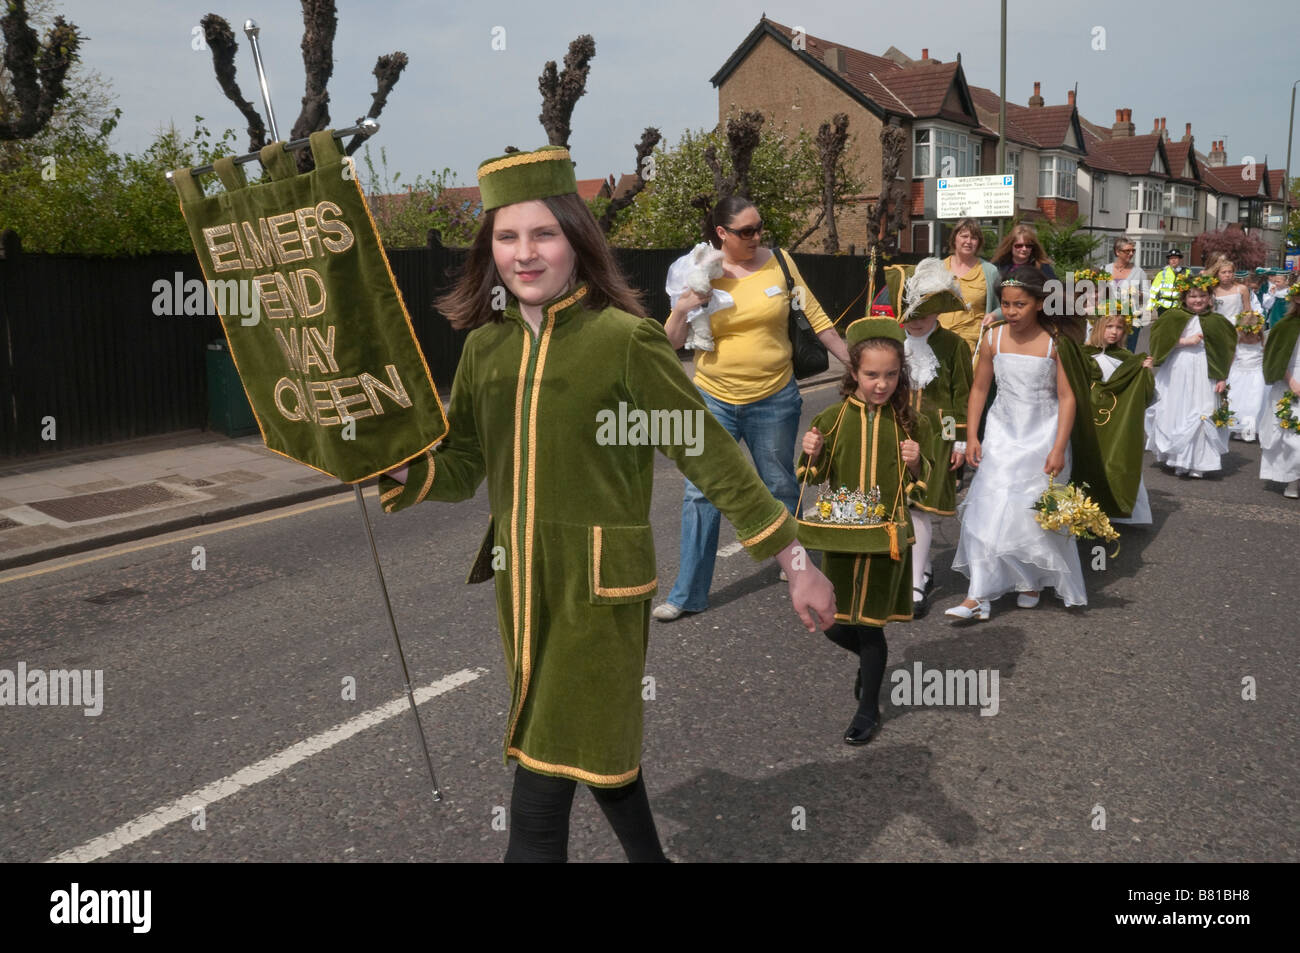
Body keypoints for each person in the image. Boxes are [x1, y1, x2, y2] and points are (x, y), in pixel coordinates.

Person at [377, 146, 836, 862]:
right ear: (488, 246)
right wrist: (402, 467)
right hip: (524, 587)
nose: (524, 254)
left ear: (576, 239)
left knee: (540, 780)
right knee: (596, 754)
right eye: (506, 236)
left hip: (599, 591)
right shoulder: (485, 349)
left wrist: (795, 558)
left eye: (543, 234)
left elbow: (709, 456)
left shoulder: (624, 340)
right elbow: (465, 463)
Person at [653, 196, 851, 622]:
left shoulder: (780, 262)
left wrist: (856, 364)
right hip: (712, 397)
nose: (756, 236)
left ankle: (795, 565)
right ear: (721, 234)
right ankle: (688, 594)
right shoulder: (698, 269)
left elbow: (816, 316)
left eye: (759, 227)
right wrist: (684, 307)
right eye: (746, 231)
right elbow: (669, 342)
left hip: (774, 396)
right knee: (701, 492)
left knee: (778, 484)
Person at [796, 318, 931, 745]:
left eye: (891, 375)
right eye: (872, 374)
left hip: (885, 539)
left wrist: (914, 463)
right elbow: (814, 475)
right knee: (832, 621)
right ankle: (869, 666)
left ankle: (868, 707)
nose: (882, 384)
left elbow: (923, 485)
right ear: (854, 371)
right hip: (842, 536)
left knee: (871, 625)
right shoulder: (833, 417)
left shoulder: (908, 422)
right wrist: (812, 453)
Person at [947, 265, 1085, 621]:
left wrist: (1058, 447)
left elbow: (1068, 398)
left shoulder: (1056, 342)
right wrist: (972, 435)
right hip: (1002, 433)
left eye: (1019, 305)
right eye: (1006, 304)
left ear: (1039, 303)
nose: (1011, 312)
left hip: (1042, 434)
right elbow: (979, 389)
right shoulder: (993, 337)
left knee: (1029, 514)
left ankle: (1029, 579)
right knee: (986, 508)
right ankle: (978, 594)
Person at [889, 259, 972, 617]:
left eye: (924, 312)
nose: (916, 320)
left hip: (936, 439)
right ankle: (918, 568)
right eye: (910, 313)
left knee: (920, 506)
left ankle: (917, 582)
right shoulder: (891, 342)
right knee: (897, 506)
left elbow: (961, 397)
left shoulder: (954, 345)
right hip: (894, 433)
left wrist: (958, 441)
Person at [1143, 273, 1237, 478]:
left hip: (1205, 371)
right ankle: (1178, 458)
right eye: (1193, 296)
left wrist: (1222, 377)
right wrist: (1185, 342)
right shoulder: (1172, 316)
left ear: (1209, 297)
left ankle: (1199, 462)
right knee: (1178, 408)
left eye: (1202, 296)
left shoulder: (1217, 321)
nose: (1198, 300)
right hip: (1178, 369)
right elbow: (1160, 343)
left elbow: (1226, 349)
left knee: (1201, 409)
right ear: (1184, 298)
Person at [1084, 313, 1154, 524]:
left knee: (1115, 461)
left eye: (1120, 327)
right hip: (1087, 420)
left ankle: (1115, 509)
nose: (1114, 332)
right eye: (1109, 326)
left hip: (1116, 423)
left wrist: (1146, 373)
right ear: (1096, 327)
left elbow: (1144, 397)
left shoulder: (1127, 359)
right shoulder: (1082, 355)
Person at [935, 217, 1001, 358]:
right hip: (938, 343)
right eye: (964, 236)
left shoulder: (990, 271)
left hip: (973, 348)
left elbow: (1004, 307)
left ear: (979, 243)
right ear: (954, 239)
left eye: (974, 238)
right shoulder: (937, 268)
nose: (968, 241)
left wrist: (994, 315)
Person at [1258, 297, 1300, 498]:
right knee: (1291, 434)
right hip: (1290, 380)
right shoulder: (1285, 326)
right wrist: (1291, 380)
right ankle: (1292, 479)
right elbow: (1276, 356)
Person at [1104, 237, 1148, 350]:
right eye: (1127, 251)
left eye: (1133, 250)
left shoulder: (1139, 272)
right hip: (1109, 318)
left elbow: (1148, 296)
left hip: (1131, 319)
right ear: (1117, 252)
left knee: (1127, 351)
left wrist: (1138, 294)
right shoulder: (1105, 269)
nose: (1131, 253)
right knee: (1108, 351)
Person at [990, 223, 1057, 281]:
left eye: (1028, 246)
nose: (1024, 249)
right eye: (1019, 245)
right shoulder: (999, 266)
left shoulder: (1042, 267)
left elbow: (1055, 292)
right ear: (1010, 246)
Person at [1147, 247, 1188, 317]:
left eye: (1176, 258)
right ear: (1169, 260)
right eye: (1171, 258)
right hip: (1163, 307)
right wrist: (1149, 308)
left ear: (1180, 259)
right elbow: (1153, 291)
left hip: (1178, 307)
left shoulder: (1186, 273)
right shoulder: (1162, 273)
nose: (1173, 260)